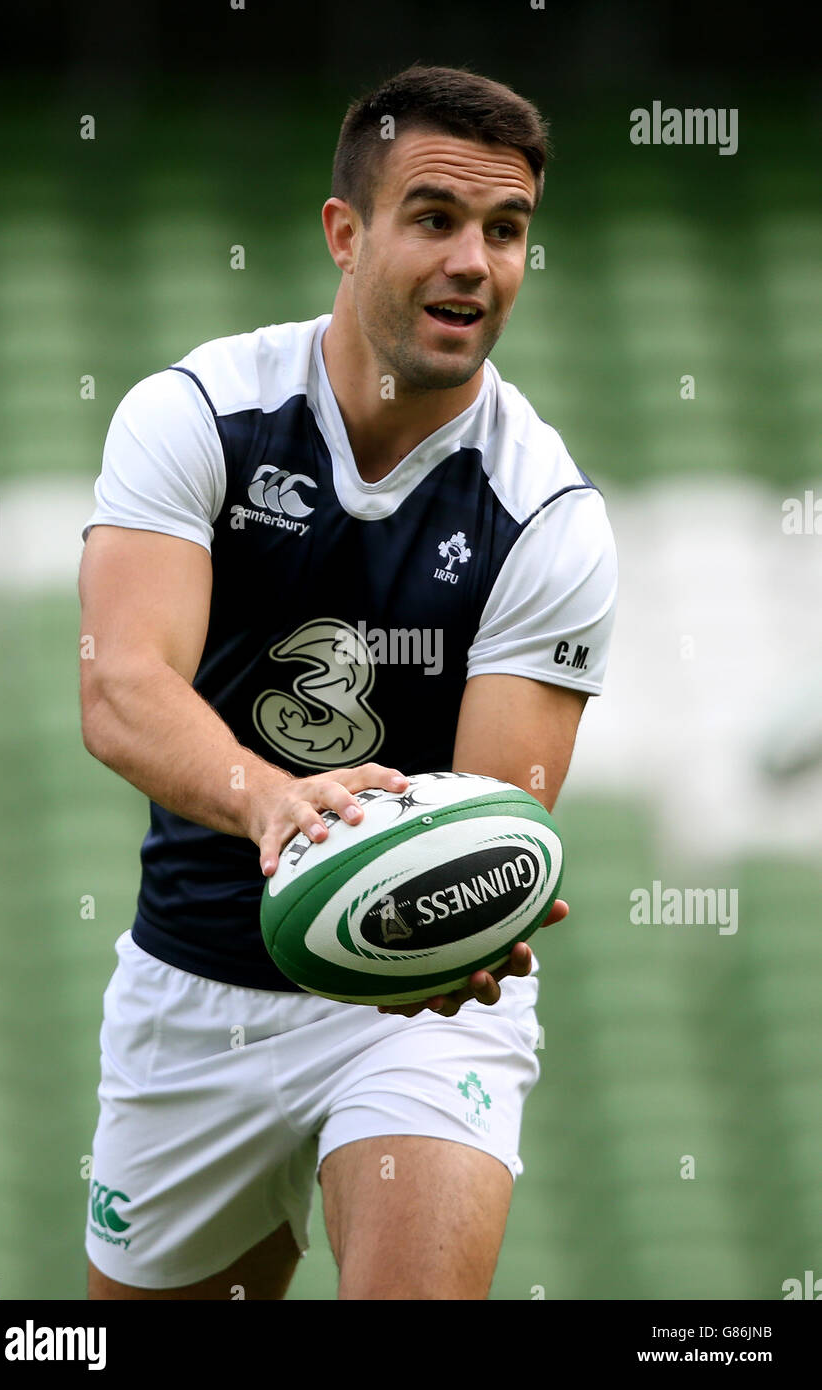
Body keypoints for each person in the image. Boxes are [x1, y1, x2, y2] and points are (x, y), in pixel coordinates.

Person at [79, 63, 618, 1301]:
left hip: (411, 1012)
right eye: (435, 217)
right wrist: (276, 802)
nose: (475, 260)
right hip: (192, 989)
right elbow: (121, 690)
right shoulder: (198, 415)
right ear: (345, 231)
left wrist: (476, 916)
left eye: (507, 229)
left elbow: (496, 803)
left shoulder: (549, 515)